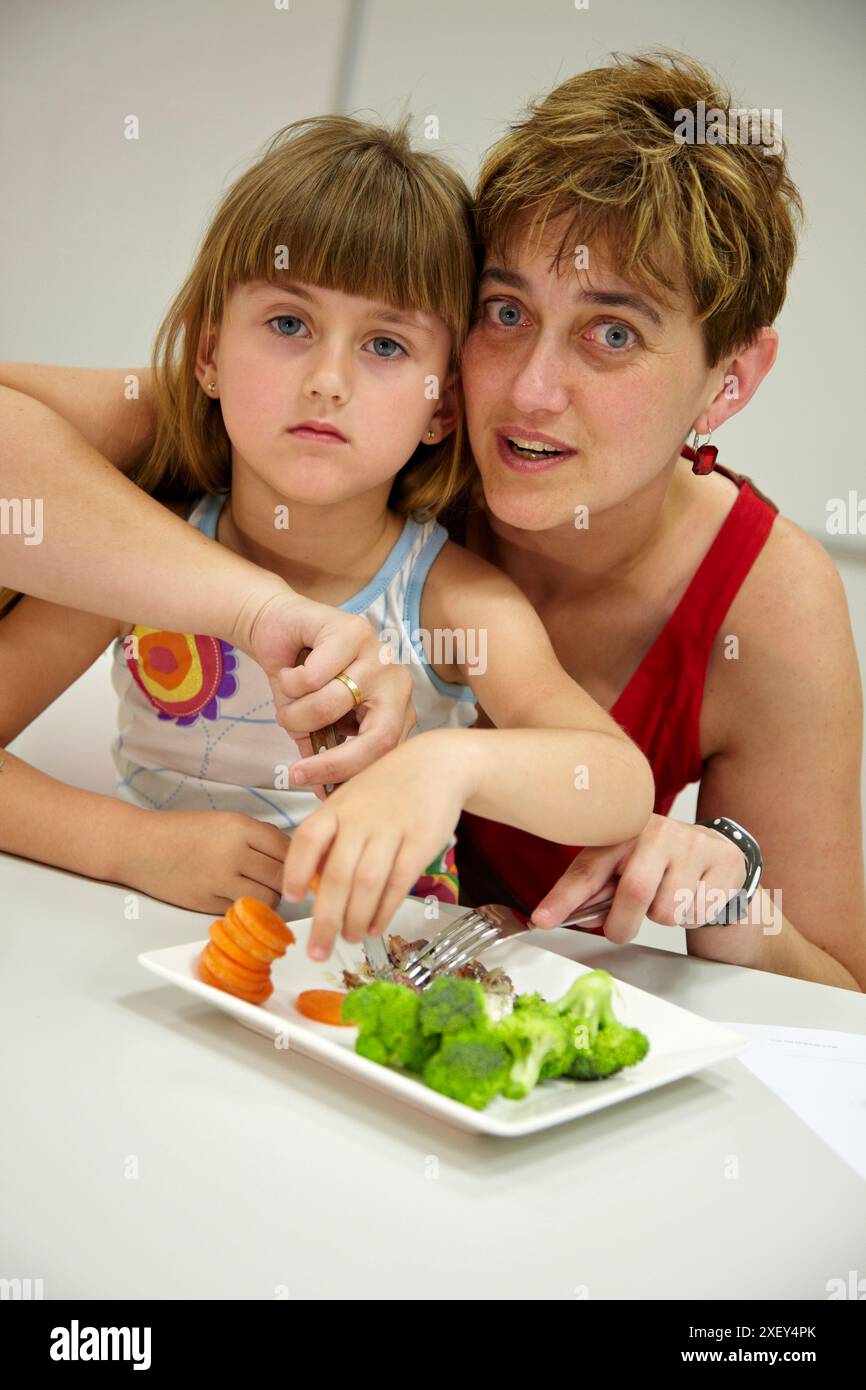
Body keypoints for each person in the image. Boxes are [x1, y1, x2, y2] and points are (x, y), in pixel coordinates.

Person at [2, 52, 863, 988]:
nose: (530, 392)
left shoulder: (754, 605)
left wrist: (724, 896)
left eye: (613, 334)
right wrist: (246, 619)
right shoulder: (331, 444)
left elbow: (837, 995)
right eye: (504, 311)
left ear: (729, 379)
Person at [0, 114, 656, 963]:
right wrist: (130, 847)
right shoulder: (133, 562)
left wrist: (446, 764)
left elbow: (616, 785)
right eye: (287, 325)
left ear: (442, 406)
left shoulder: (450, 598)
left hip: (368, 1002)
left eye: (385, 344)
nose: (327, 380)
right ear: (207, 356)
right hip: (152, 978)